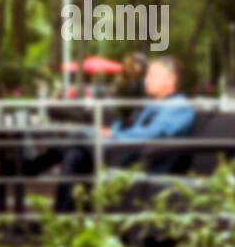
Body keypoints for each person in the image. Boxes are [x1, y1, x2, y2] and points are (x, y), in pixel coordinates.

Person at [52, 55, 193, 211]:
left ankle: (32, 166)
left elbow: (151, 135)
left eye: (152, 75)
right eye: (147, 75)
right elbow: (130, 126)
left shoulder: (178, 107)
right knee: (74, 156)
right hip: (123, 151)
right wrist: (113, 131)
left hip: (137, 160)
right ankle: (62, 220)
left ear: (170, 80)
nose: (146, 80)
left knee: (79, 135)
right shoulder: (152, 104)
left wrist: (114, 135)